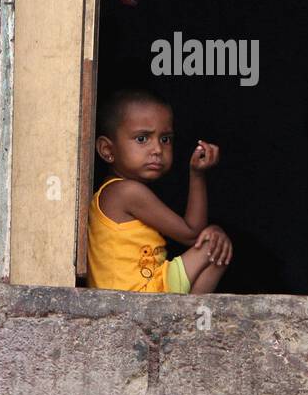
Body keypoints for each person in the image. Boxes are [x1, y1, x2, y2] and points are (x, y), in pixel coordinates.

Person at [87, 88, 232, 294]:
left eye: (165, 139)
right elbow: (192, 233)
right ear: (107, 150)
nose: (157, 149)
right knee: (214, 245)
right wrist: (197, 175)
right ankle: (189, 318)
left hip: (136, 297)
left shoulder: (112, 193)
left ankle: (187, 315)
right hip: (143, 293)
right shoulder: (126, 192)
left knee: (217, 247)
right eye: (142, 139)